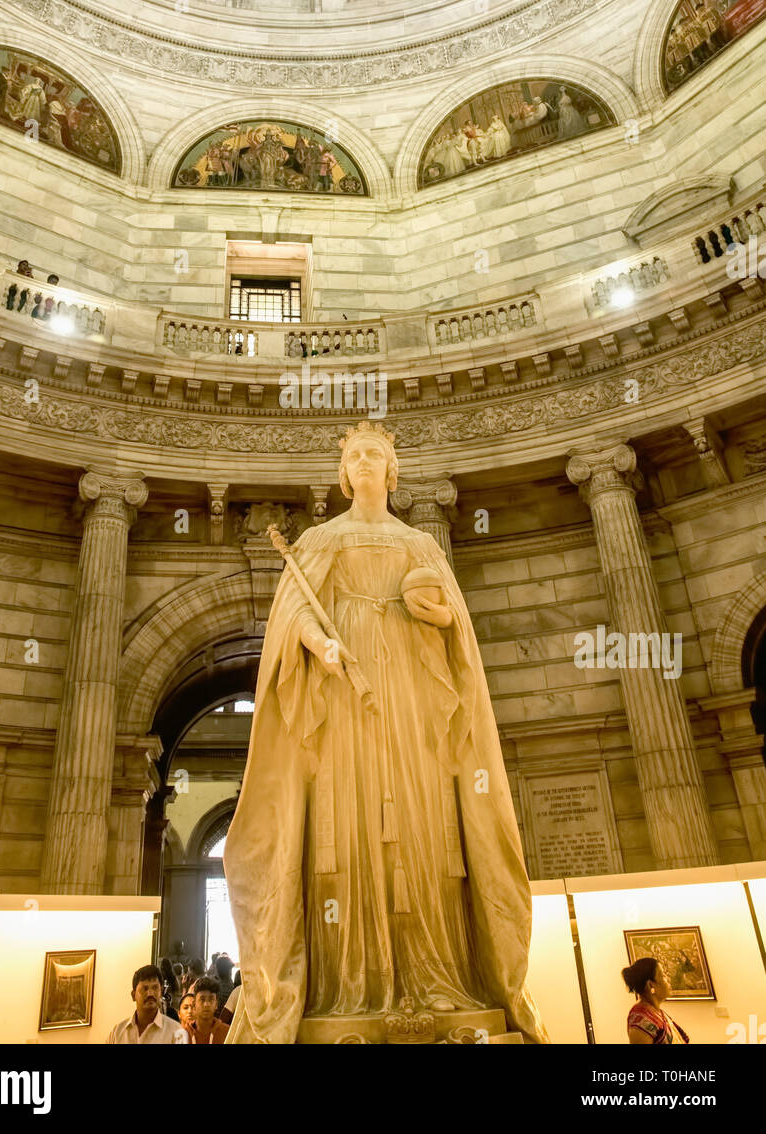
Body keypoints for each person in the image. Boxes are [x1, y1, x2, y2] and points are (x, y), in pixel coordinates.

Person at [223, 420, 547, 1044]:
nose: (367, 462)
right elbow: (292, 615)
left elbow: (459, 636)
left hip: (412, 704)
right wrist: (319, 641)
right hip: (345, 700)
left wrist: (442, 613)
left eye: (378, 454)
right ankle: (350, 988)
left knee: (427, 830)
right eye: (357, 455)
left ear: (393, 472)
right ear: (344, 474)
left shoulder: (420, 545)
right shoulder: (321, 539)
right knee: (348, 827)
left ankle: (439, 978)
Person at [106, 965, 187, 1044]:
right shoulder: (117, 1032)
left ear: (161, 992)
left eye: (155, 988)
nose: (150, 994)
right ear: (133, 995)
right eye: (145, 988)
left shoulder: (176, 1031)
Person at [623, 958, 690, 1045]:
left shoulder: (655, 1012)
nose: (668, 979)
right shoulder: (641, 1019)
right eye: (663, 975)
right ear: (651, 985)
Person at [184, 978, 229, 1045]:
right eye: (202, 999)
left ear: (216, 1004)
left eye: (211, 999)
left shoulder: (227, 1032)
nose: (206, 1004)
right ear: (194, 1004)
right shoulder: (184, 1034)